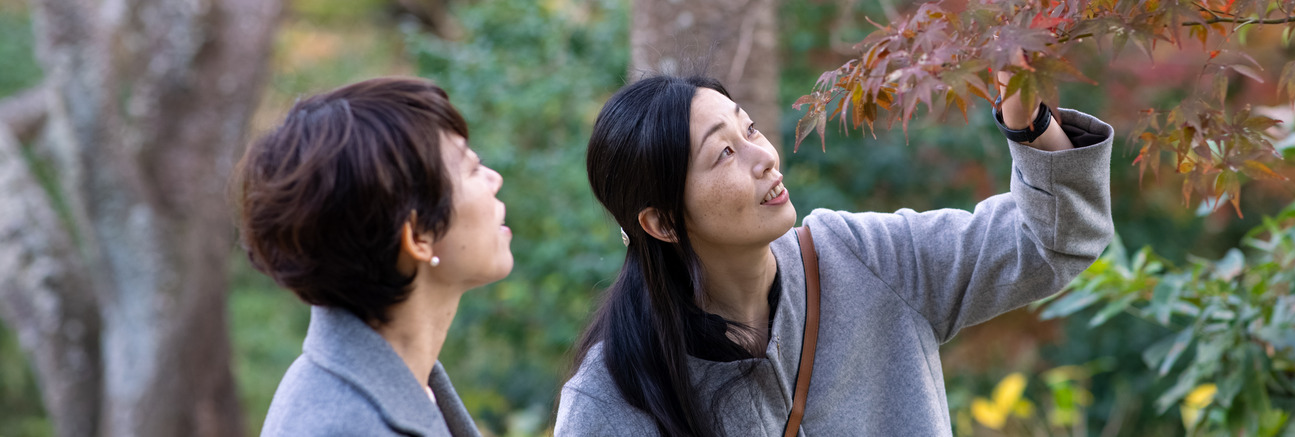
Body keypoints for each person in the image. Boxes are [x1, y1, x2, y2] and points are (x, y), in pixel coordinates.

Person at [554, 58, 1114, 437]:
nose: (764, 157)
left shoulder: (863, 258)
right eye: (722, 153)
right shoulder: (613, 397)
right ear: (661, 223)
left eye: (749, 131)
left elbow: (1052, 243)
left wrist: (1031, 124)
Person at [236, 77, 513, 437]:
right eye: (472, 170)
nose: (495, 179)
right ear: (417, 237)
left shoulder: (406, 383)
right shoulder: (339, 425)